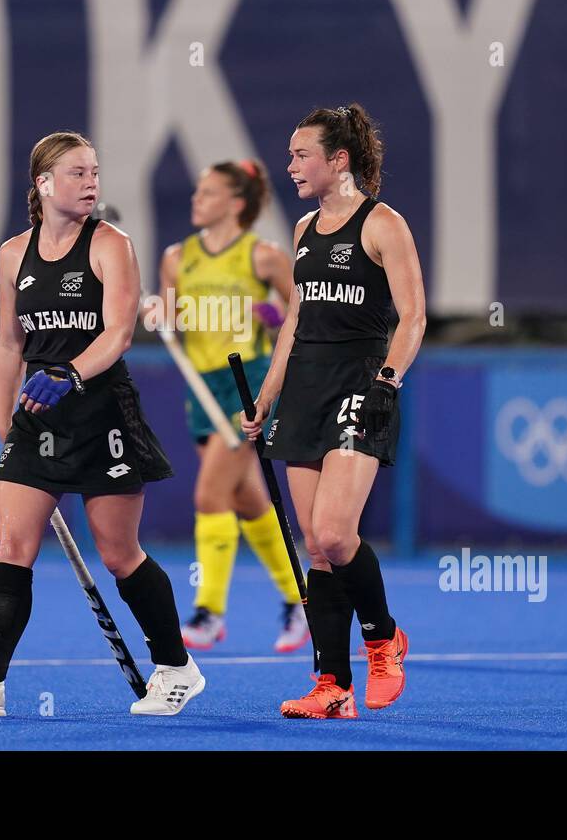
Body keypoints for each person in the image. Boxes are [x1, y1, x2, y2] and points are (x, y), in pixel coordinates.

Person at [0, 131, 204, 717]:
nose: (91, 183)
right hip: (37, 414)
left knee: (118, 553)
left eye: (95, 173)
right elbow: (9, 341)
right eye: (78, 173)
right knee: (11, 543)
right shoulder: (13, 255)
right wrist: (1, 410)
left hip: (101, 412)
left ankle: (178, 668)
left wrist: (70, 375)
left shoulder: (111, 244)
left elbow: (119, 334)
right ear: (43, 184)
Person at [241, 104, 427, 719]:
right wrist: (267, 397)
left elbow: (414, 317)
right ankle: (332, 686)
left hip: (360, 389)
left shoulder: (383, 225)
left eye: (301, 155)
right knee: (314, 550)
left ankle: (383, 639)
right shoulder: (301, 232)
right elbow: (295, 321)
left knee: (333, 533)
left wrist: (388, 382)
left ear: (337, 160)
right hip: (305, 394)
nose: (290, 165)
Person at [145, 160, 308, 653]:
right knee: (246, 499)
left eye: (209, 193)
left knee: (210, 494)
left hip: (249, 383)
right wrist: (156, 311)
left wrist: (276, 317)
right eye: (197, 191)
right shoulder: (177, 257)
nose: (197, 200)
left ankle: (209, 612)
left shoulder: (264, 257)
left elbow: (304, 314)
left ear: (236, 203)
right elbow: (171, 317)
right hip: (201, 386)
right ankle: (302, 598)